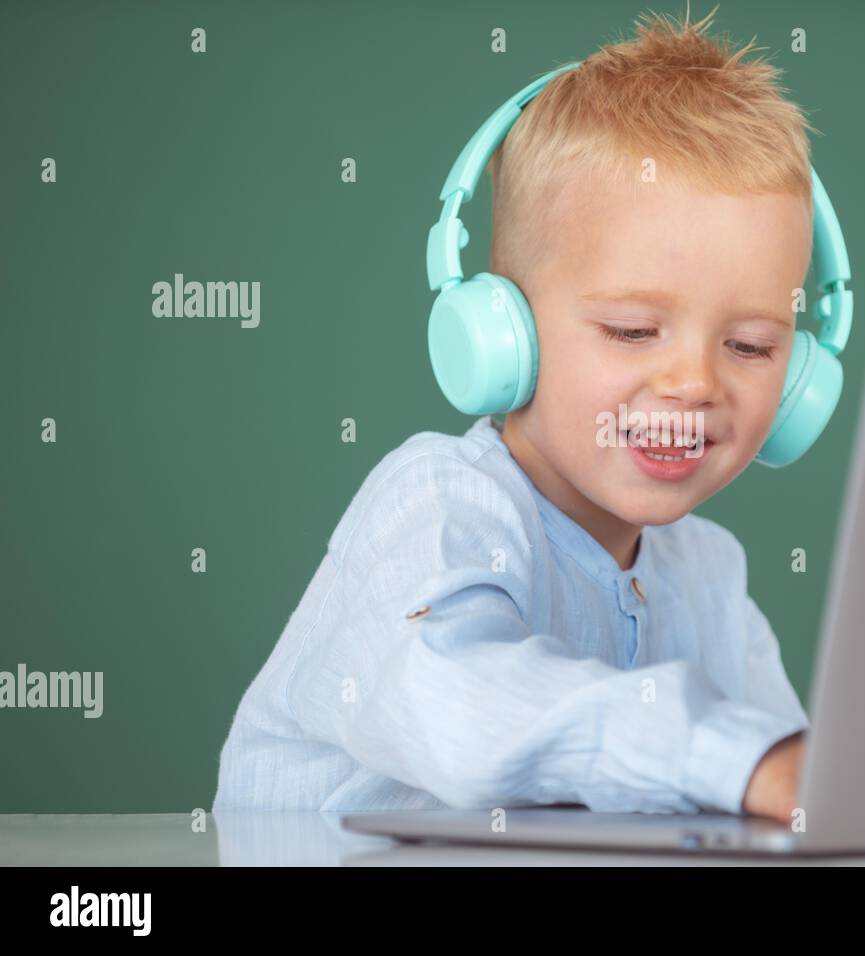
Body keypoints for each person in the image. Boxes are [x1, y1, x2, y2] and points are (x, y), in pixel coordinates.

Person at [214, 6, 815, 823]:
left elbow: (801, 782)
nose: (693, 382)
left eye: (749, 346)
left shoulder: (711, 576)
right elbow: (466, 707)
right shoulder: (435, 503)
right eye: (632, 330)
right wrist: (738, 762)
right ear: (504, 335)